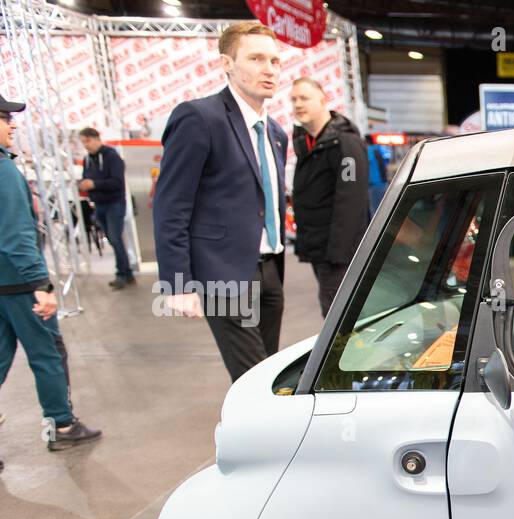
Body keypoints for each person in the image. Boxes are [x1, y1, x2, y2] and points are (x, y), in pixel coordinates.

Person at [152, 21, 288, 382]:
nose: (269, 69)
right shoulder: (199, 118)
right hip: (224, 272)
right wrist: (177, 282)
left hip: (271, 268)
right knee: (255, 379)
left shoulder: (276, 133)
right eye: (257, 58)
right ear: (227, 63)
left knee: (266, 373)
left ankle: (258, 434)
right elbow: (170, 205)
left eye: (275, 61)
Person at [0, 93, 102, 468]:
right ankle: (62, 425)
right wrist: (40, 284)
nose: (12, 125)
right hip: (18, 285)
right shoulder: (4, 171)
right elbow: (16, 236)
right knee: (47, 354)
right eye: (4, 118)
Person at [289, 77, 369, 319]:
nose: (298, 104)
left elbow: (351, 202)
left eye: (304, 98)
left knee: (338, 318)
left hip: (339, 255)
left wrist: (339, 254)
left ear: (323, 100)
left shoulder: (346, 143)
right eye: (294, 99)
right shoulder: (309, 143)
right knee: (334, 314)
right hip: (320, 249)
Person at [77, 127, 134, 289]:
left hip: (115, 203)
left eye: (87, 141)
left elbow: (117, 182)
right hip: (99, 204)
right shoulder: (88, 160)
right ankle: (127, 273)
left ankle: (122, 274)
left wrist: (94, 184)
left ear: (96, 138)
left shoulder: (112, 157)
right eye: (83, 142)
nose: (85, 145)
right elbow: (86, 178)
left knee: (115, 238)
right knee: (113, 239)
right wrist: (84, 184)